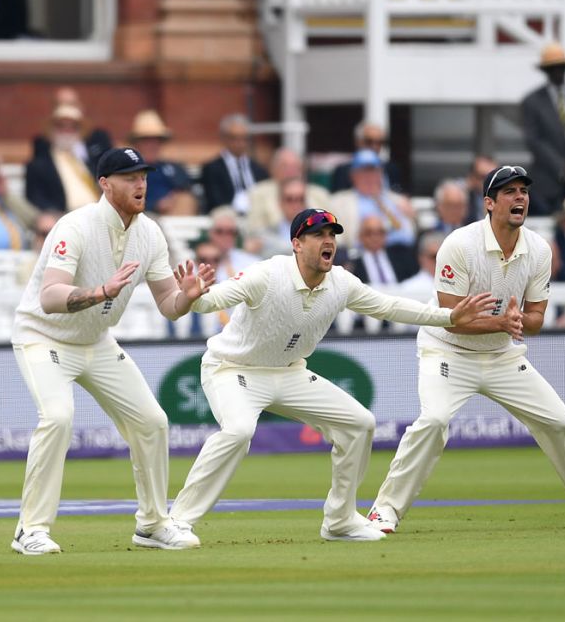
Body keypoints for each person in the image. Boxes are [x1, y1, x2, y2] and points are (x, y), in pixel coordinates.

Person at [168, 209, 496, 544]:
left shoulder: (342, 283)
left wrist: (449, 316)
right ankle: (178, 520)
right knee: (239, 431)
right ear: (296, 243)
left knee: (359, 424)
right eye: (318, 235)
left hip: (289, 373)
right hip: (232, 369)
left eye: (332, 235)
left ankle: (340, 520)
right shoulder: (266, 274)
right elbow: (211, 301)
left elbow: (389, 306)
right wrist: (193, 297)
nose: (328, 242)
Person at [367, 165, 565, 534]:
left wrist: (520, 321)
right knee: (433, 421)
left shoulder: (539, 249)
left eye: (523, 190)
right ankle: (385, 510)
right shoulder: (459, 245)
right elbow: (451, 317)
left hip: (502, 355)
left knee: (562, 423)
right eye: (509, 192)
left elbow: (536, 318)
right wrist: (504, 323)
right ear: (489, 203)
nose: (519, 197)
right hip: (448, 351)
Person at [9, 146, 215, 555]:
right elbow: (50, 296)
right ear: (105, 184)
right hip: (43, 336)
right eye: (130, 177)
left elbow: (168, 307)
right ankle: (29, 529)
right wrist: (100, 291)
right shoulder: (76, 226)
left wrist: (187, 297)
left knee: (152, 421)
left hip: (96, 341)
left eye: (143, 176)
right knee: (58, 417)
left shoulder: (150, 233)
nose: (141, 184)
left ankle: (153, 525)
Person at [519, 42, 565, 214]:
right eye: (553, 68)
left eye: (561, 67)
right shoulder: (532, 101)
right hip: (547, 181)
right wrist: (561, 167)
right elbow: (533, 140)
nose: (558, 71)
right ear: (545, 71)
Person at [327, 149, 416, 249]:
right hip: (358, 256)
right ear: (353, 175)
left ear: (381, 174)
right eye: (364, 172)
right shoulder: (338, 202)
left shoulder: (397, 200)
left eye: (373, 171)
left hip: (395, 254)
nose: (369, 177)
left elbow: (408, 236)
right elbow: (338, 239)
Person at [25, 103, 103, 214]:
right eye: (61, 126)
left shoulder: (87, 160)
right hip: (64, 218)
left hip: (97, 214)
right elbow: (35, 198)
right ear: (52, 130)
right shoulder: (38, 165)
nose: (67, 131)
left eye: (73, 127)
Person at [246, 147, 335, 238]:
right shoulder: (259, 193)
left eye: (295, 166)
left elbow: (334, 231)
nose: (291, 171)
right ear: (273, 169)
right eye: (285, 166)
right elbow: (254, 231)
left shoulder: (319, 194)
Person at [130, 110, 197, 216]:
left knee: (185, 199)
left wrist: (173, 199)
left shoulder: (173, 168)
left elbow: (185, 189)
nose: (152, 145)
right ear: (136, 143)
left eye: (156, 140)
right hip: (141, 216)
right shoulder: (127, 171)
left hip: (173, 216)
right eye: (146, 140)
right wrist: (156, 205)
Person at [200, 113, 267, 214]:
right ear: (224, 138)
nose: (240, 143)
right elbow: (215, 201)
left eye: (244, 138)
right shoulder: (212, 169)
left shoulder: (258, 169)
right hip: (227, 220)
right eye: (234, 138)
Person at [326, 120, 404, 193]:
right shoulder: (342, 171)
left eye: (380, 142)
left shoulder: (392, 169)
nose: (375, 146)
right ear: (358, 141)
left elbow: (398, 196)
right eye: (369, 141)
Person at [253, 177, 316, 258]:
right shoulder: (266, 233)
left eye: (300, 199)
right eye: (289, 199)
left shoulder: (318, 231)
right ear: (280, 203)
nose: (296, 205)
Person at [348, 215, 418, 285]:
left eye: (380, 232)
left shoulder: (401, 257)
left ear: (386, 235)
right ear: (360, 236)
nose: (375, 238)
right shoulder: (353, 263)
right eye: (369, 233)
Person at [396, 230, 445, 303]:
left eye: (442, 256)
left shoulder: (459, 286)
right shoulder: (407, 288)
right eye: (434, 256)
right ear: (421, 257)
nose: (438, 261)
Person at [464, 155, 497, 223]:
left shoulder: (506, 199)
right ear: (471, 178)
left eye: (493, 178)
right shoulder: (461, 200)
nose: (490, 183)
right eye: (483, 177)